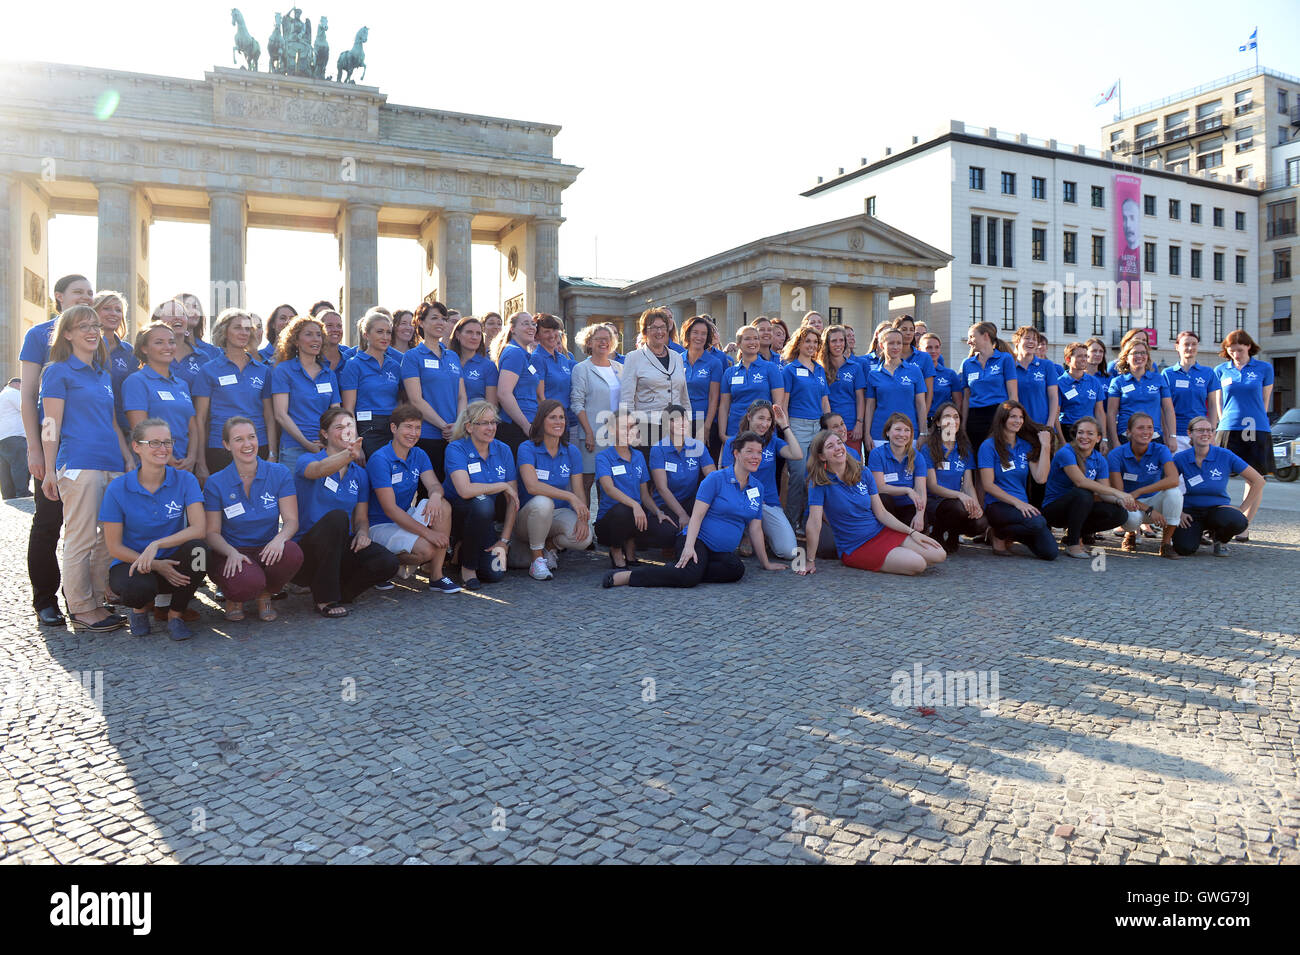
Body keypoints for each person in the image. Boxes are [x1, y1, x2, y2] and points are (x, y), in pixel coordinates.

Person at [39, 303, 135, 631]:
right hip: (78, 464)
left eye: (94, 325)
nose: (92, 331)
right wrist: (50, 469)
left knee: (106, 539)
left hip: (111, 464)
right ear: (67, 334)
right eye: (83, 326)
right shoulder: (57, 371)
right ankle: (80, 607)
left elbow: (111, 423)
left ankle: (96, 600)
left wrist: (128, 460)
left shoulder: (103, 374)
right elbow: (49, 423)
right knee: (80, 538)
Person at [603, 430, 786, 589]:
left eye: (759, 453)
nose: (756, 457)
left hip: (721, 552)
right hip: (697, 540)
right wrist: (689, 547)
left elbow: (755, 528)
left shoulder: (757, 488)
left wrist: (766, 563)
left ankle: (684, 569)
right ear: (736, 453)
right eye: (750, 451)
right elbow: (696, 517)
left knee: (736, 569)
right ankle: (628, 577)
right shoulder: (716, 479)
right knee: (688, 577)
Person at [22, 273, 94, 627]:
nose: (86, 297)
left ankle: (84, 598)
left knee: (89, 527)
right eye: (78, 292)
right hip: (54, 446)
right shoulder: (39, 335)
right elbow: (28, 396)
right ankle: (45, 599)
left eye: (90, 293)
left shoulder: (99, 339)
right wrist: (34, 449)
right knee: (49, 522)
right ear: (59, 297)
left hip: (90, 448)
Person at [100, 418, 208, 640]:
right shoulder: (118, 488)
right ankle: (139, 610)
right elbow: (114, 547)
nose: (163, 449)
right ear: (136, 447)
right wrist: (156, 564)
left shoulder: (186, 479)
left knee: (200, 551)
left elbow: (199, 529)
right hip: (135, 564)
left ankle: (175, 614)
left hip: (174, 564)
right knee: (135, 589)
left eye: (167, 442)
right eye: (154, 443)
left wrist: (158, 544)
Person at [293, 407, 401, 615]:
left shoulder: (360, 474)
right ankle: (325, 600)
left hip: (340, 549)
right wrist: (348, 454)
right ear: (324, 434)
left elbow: (361, 518)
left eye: (349, 426)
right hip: (307, 551)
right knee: (337, 518)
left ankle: (340, 592)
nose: (346, 431)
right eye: (339, 427)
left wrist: (362, 533)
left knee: (387, 562)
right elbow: (319, 470)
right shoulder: (307, 460)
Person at [799, 430, 946, 575]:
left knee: (939, 554)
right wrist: (810, 560)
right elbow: (814, 523)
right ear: (821, 456)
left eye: (839, 443)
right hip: (855, 546)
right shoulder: (818, 482)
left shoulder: (863, 472)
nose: (838, 448)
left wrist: (912, 532)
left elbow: (881, 513)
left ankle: (899, 554)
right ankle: (898, 556)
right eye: (830, 446)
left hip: (880, 531)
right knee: (918, 564)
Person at [203, 416, 302, 621]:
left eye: (252, 437)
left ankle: (265, 594)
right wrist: (230, 552)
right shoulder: (215, 482)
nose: (247, 444)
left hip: (266, 549)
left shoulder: (279, 473)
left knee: (292, 552)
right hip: (231, 553)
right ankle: (234, 595)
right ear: (227, 445)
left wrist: (279, 539)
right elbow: (211, 533)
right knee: (248, 582)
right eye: (239, 439)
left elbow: (291, 521)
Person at [366, 403, 458, 593]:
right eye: (408, 427)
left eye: (417, 428)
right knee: (427, 549)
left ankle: (437, 576)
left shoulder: (419, 453)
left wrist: (434, 496)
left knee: (443, 505)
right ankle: (380, 563)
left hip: (404, 517)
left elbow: (434, 485)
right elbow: (390, 509)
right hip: (379, 525)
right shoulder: (380, 459)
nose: (413, 433)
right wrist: (428, 533)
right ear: (394, 428)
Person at [443, 400, 518, 589]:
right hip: (456, 515)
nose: (491, 427)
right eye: (484, 423)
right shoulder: (456, 448)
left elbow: (513, 500)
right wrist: (500, 485)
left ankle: (461, 550)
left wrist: (504, 541)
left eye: (493, 422)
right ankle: (468, 568)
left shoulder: (503, 450)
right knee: (483, 504)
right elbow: (464, 490)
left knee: (495, 573)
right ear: (469, 427)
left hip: (482, 520)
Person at [192, 308, 275, 480]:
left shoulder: (263, 371)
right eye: (237, 327)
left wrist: (273, 453)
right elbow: (200, 419)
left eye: (247, 328)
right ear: (224, 331)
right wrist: (200, 461)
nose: (244, 332)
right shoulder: (208, 371)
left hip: (257, 446)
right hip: (221, 448)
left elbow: (269, 416)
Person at [511, 399, 590, 579]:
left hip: (556, 513)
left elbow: (579, 491)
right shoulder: (527, 448)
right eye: (552, 417)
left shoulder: (571, 451)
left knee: (583, 538)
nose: (559, 422)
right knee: (543, 502)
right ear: (541, 421)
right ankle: (537, 562)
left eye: (561, 417)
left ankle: (550, 546)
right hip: (527, 515)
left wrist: (583, 518)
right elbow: (532, 486)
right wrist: (569, 497)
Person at [718, 400, 802, 559]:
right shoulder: (733, 442)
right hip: (740, 502)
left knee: (789, 551)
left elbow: (797, 454)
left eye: (769, 420)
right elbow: (726, 478)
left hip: (767, 503)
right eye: (760, 418)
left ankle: (763, 534)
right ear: (749, 417)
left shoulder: (773, 442)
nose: (765, 424)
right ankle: (747, 533)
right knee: (722, 545)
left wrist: (784, 426)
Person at [594, 409, 678, 569]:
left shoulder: (638, 456)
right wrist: (635, 504)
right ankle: (616, 550)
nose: (631, 431)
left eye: (633, 426)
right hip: (609, 524)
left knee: (666, 531)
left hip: (636, 518)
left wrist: (657, 512)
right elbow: (609, 489)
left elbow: (644, 495)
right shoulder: (603, 457)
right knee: (623, 510)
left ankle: (631, 547)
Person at [1172, 416, 1265, 556]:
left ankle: (1220, 539)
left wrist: (1241, 509)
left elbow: (1258, 480)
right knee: (1184, 549)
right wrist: (1178, 513)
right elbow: (1164, 485)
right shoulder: (1180, 458)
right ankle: (1197, 533)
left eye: (1209, 430)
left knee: (1238, 521)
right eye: (1200, 430)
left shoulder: (1225, 455)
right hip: (1190, 512)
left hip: (1218, 510)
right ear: (1189, 433)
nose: (1206, 433)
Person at [1039, 416, 1128, 559]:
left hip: (1080, 509)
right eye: (1081, 432)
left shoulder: (1099, 459)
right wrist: (1118, 493)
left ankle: (1074, 534)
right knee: (1083, 493)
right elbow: (1080, 481)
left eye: (1090, 433)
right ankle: (1073, 544)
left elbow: (1104, 492)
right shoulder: (1066, 452)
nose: (1084, 437)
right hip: (1054, 510)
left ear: (1098, 438)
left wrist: (1119, 501)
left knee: (1120, 513)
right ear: (1075, 434)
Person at [978, 400, 1057, 560]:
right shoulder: (988, 446)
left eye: (1021, 417)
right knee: (1037, 522)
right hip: (997, 505)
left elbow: (1040, 478)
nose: (1018, 420)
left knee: (1050, 552)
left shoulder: (1026, 446)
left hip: (1022, 509)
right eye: (1013, 416)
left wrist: (1045, 446)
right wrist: (1018, 503)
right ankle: (998, 532)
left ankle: (1007, 535)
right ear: (1002, 419)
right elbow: (987, 484)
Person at [123, 321, 200, 475]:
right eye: (159, 342)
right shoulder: (136, 382)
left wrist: (192, 457)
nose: (168, 347)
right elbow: (140, 428)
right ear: (144, 348)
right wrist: (168, 457)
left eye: (171, 342)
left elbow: (192, 427)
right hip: (152, 466)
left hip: (184, 467)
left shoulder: (182, 385)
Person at [402, 302, 466, 483]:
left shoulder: (452, 356)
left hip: (455, 436)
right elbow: (415, 399)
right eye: (434, 318)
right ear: (420, 323)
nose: (441, 323)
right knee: (431, 491)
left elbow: (462, 396)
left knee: (457, 489)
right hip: (428, 435)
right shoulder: (412, 357)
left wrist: (457, 426)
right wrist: (444, 426)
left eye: (444, 319)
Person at [271, 314, 340, 475]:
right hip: (293, 448)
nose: (315, 339)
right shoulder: (283, 371)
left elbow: (336, 413)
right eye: (308, 334)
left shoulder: (329, 374)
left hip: (325, 447)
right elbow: (280, 415)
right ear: (296, 341)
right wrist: (307, 444)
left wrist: (328, 442)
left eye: (318, 335)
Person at [1107, 411, 1182, 557]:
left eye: (1150, 428)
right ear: (1128, 432)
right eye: (1141, 428)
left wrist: (1140, 491)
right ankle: (1130, 533)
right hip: (1128, 502)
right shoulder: (1116, 454)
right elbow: (1120, 493)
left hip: (1153, 499)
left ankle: (1166, 544)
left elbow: (1174, 479)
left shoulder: (1161, 449)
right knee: (1132, 519)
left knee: (1174, 493)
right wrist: (1148, 509)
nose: (1146, 432)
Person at [780, 324, 830, 530]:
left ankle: (810, 520)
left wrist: (829, 428)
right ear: (798, 343)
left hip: (818, 426)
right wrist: (786, 429)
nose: (811, 345)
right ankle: (792, 522)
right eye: (807, 341)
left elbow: (825, 401)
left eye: (815, 342)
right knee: (798, 476)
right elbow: (783, 403)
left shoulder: (819, 370)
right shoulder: (789, 370)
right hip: (797, 426)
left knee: (815, 476)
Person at [920, 401, 987, 553]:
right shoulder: (928, 448)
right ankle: (938, 533)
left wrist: (975, 505)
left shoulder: (965, 448)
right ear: (938, 422)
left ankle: (952, 535)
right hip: (934, 503)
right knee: (957, 507)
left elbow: (969, 484)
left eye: (956, 417)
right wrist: (960, 496)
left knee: (980, 523)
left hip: (957, 503)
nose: (952, 421)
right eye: (947, 417)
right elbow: (932, 486)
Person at [1212, 329, 1274, 489]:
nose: (1235, 354)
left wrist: (1260, 418)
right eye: (1231, 350)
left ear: (1248, 346)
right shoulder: (1220, 370)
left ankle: (1247, 514)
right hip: (1228, 427)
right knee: (1218, 473)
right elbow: (1218, 401)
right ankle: (1221, 511)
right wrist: (1221, 423)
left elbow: (1265, 400)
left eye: (1239, 350)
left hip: (1256, 427)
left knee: (1255, 478)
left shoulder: (1264, 368)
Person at [620, 307, 691, 442]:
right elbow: (626, 398)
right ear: (645, 331)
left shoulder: (677, 357)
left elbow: (684, 397)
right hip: (646, 428)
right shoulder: (633, 357)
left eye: (662, 327)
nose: (659, 332)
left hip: (676, 427)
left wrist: (688, 423)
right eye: (653, 327)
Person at [571, 322, 625, 500]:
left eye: (607, 339)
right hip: (592, 435)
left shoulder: (619, 368)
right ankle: (583, 525)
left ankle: (604, 525)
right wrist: (588, 433)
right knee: (587, 481)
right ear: (589, 343)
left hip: (616, 435)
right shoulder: (581, 369)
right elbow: (577, 403)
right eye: (599, 339)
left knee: (611, 481)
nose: (604, 343)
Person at [340, 308, 404, 459]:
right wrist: (355, 442)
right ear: (366, 334)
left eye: (388, 332)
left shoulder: (395, 366)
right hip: (367, 431)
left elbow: (401, 400)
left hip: (393, 429)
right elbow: (348, 408)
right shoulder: (353, 365)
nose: (385, 337)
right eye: (380, 332)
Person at [649, 403, 715, 531]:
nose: (682, 423)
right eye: (675, 420)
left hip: (690, 500)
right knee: (668, 531)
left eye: (684, 419)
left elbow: (713, 477)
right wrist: (682, 515)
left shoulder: (698, 446)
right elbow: (662, 488)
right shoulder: (658, 449)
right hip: (666, 503)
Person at [1105, 335, 1175, 454]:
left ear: (1147, 357)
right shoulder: (1118, 382)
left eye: (1143, 353)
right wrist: (1115, 441)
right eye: (1135, 353)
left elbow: (1168, 409)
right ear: (1126, 358)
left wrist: (1172, 436)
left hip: (1154, 436)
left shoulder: (1158, 379)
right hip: (1126, 437)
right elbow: (1111, 413)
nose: (1139, 356)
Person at [862, 326, 926, 452]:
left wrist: (923, 432)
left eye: (899, 343)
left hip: (908, 433)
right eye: (891, 343)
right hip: (879, 433)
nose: (895, 347)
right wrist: (867, 434)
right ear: (881, 345)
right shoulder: (873, 374)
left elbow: (921, 404)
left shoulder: (914, 371)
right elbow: (869, 406)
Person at [719, 325, 785, 443]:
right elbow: (724, 406)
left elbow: (778, 404)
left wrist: (769, 428)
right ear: (738, 344)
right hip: (735, 431)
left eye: (756, 338)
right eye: (748, 339)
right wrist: (722, 434)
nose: (753, 342)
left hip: (763, 431)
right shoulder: (729, 372)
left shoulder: (771, 368)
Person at [491, 310, 545, 453]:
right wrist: (525, 426)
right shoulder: (514, 353)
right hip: (516, 427)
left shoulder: (525, 355)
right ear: (513, 329)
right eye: (525, 323)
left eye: (533, 324)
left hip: (528, 423)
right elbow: (504, 393)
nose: (531, 327)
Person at [961, 322, 1019, 449]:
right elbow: (966, 397)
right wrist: (963, 425)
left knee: (999, 456)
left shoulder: (1005, 359)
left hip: (999, 414)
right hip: (975, 417)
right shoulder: (967, 364)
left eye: (971, 337)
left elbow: (1013, 394)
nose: (968, 341)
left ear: (985, 336)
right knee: (977, 456)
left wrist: (1012, 419)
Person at [867, 412, 928, 530]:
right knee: (883, 498)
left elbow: (921, 490)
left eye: (907, 430)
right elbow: (879, 487)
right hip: (885, 508)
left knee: (919, 527)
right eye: (898, 429)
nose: (902, 434)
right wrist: (907, 490)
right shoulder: (877, 454)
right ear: (887, 432)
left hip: (908, 505)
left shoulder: (917, 456)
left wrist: (920, 515)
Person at [1162, 330, 1220, 451]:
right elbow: (1163, 408)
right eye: (1186, 344)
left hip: (1200, 433)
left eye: (1194, 344)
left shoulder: (1208, 373)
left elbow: (1213, 405)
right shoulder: (1167, 374)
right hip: (1176, 433)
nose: (1190, 347)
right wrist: (1169, 435)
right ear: (1177, 347)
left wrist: (1212, 433)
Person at [93, 291, 137, 434]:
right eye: (106, 308)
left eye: (118, 310)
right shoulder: (84, 347)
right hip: (91, 424)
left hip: (124, 428)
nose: (114, 313)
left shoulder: (130, 352)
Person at [532, 313, 578, 446]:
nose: (552, 335)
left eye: (554, 330)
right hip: (550, 423)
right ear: (537, 336)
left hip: (566, 421)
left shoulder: (563, 359)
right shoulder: (537, 358)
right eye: (546, 331)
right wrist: (550, 421)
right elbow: (540, 396)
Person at [681, 315, 722, 457]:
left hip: (703, 420)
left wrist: (706, 427)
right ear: (687, 334)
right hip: (680, 421)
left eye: (704, 333)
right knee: (683, 463)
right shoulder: (677, 359)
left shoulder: (714, 363)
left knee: (701, 464)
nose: (699, 337)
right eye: (695, 332)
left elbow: (714, 397)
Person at [820, 324, 866, 453]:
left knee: (853, 464)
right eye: (834, 341)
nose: (838, 344)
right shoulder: (819, 368)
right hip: (827, 426)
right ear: (827, 344)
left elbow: (860, 398)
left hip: (851, 425)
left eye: (841, 340)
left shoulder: (855, 367)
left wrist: (859, 423)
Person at [1012, 327, 1059, 441]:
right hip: (1018, 428)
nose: (1031, 342)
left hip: (1042, 427)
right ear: (1017, 342)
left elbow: (1053, 397)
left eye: (1034, 339)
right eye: (1027, 338)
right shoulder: (1010, 366)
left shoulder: (1047, 365)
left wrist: (1049, 425)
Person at [1056, 341, 1107, 443]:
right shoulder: (1059, 383)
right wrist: (1062, 440)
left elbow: (1100, 412)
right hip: (1069, 430)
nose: (1084, 359)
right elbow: (1055, 415)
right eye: (1079, 356)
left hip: (1090, 430)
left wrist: (1104, 438)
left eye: (1085, 356)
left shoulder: (1094, 382)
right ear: (1068, 359)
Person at [451, 314, 498, 408]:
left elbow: (492, 406)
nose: (474, 337)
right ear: (457, 335)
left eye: (478, 333)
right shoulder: (447, 360)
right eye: (469, 332)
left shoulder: (488, 366)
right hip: (445, 420)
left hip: (475, 420)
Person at [920, 333, 965, 423]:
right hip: (920, 421)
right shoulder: (915, 373)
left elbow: (958, 403)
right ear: (920, 350)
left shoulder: (950, 374)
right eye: (929, 347)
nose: (933, 351)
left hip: (945, 423)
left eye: (937, 347)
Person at [893, 315, 936, 410]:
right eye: (904, 329)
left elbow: (929, 391)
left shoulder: (924, 357)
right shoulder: (890, 357)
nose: (908, 333)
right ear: (896, 331)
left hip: (915, 414)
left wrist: (923, 416)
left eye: (911, 330)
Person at [0, 376, 30, 498]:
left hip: (3, 436)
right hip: (14, 435)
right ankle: (22, 492)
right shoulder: (13, 393)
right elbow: (25, 408)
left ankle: (8, 494)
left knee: (5, 468)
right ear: (17, 385)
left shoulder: (2, 394)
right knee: (19, 464)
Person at [318, 308, 353, 373]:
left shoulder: (350, 357)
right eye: (329, 325)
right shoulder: (312, 359)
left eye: (339, 326)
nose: (335, 329)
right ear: (318, 329)